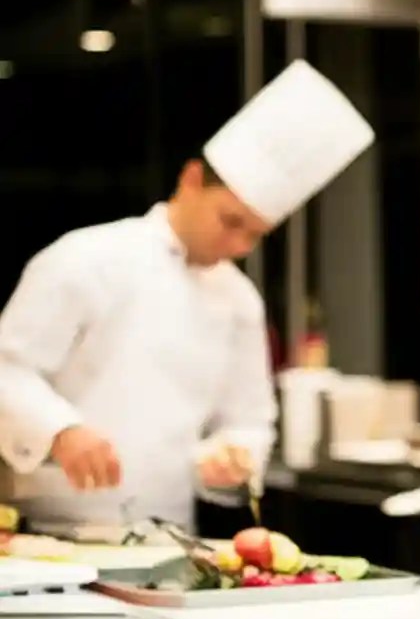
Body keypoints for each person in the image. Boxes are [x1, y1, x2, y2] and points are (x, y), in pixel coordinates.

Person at [0, 60, 375, 535]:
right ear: (192, 178)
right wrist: (60, 430)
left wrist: (231, 457)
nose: (239, 246)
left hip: (171, 536)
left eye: (256, 235)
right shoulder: (86, 257)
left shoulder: (240, 299)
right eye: (231, 221)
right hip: (48, 527)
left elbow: (249, 421)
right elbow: (7, 368)